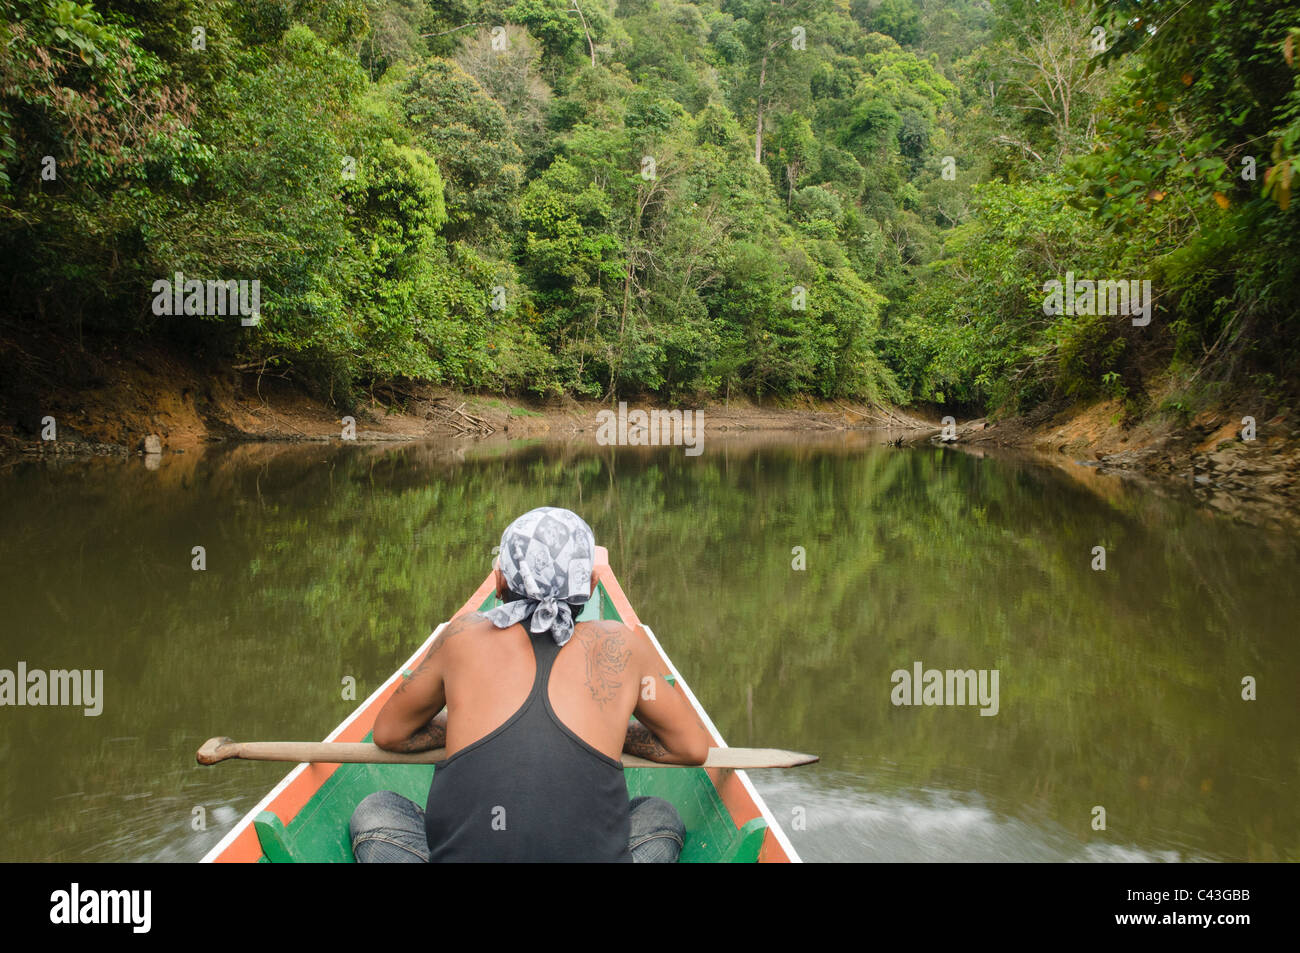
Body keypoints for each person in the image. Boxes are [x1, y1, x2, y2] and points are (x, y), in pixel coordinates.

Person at [349, 506, 713, 862]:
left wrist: (466, 726)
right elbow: (692, 748)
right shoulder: (622, 645)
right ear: (590, 585)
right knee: (660, 815)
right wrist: (614, 731)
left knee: (376, 811)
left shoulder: (460, 637)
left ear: (499, 582)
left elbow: (390, 733)